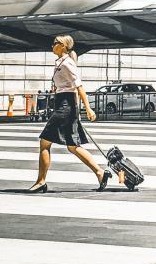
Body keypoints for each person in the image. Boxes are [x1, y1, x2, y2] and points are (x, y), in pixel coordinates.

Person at [27, 35, 111, 193]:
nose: (52, 45)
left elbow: (79, 86)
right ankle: (100, 173)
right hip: (64, 104)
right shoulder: (60, 62)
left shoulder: (67, 63)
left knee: (45, 143)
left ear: (64, 46)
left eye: (56, 43)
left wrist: (88, 108)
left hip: (65, 106)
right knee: (72, 146)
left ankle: (41, 182)